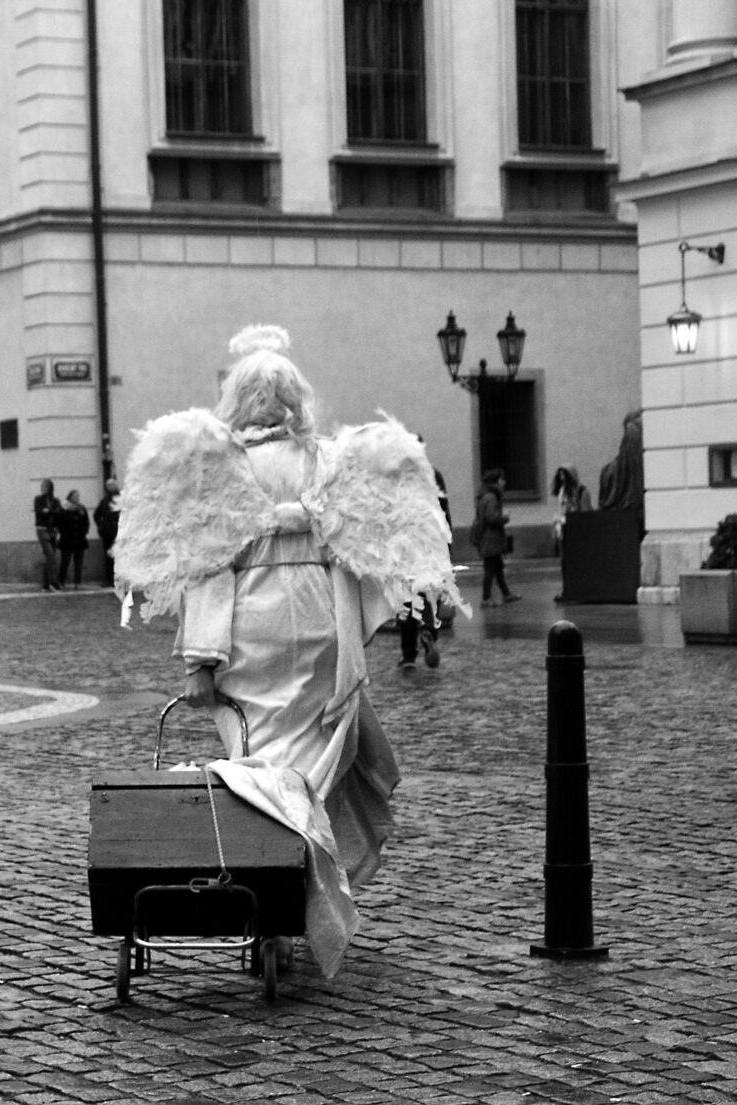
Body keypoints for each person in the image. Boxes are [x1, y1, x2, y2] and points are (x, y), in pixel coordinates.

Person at [115, 323, 465, 979]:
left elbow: (212, 564)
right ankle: (294, 896)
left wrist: (202, 658)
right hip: (317, 616)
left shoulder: (225, 466)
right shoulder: (323, 460)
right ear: (294, 399)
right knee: (305, 770)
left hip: (251, 621)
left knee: (257, 765)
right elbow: (352, 543)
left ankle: (272, 904)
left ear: (240, 401)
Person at [398, 440, 451, 669]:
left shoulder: (399, 480)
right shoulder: (434, 476)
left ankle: (409, 654)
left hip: (408, 548)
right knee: (430, 595)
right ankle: (429, 631)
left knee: (408, 601)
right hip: (431, 546)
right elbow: (444, 514)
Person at [474, 467, 520, 608]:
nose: (504, 482)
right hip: (491, 539)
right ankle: (486, 598)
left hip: (488, 538)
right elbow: (491, 518)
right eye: (502, 480)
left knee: (497, 568)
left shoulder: (485, 496)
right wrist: (504, 518)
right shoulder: (492, 498)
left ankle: (506, 594)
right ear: (496, 481)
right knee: (490, 569)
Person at [56, 489, 90, 588]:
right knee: (65, 562)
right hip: (67, 540)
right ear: (70, 497)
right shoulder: (64, 508)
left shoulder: (82, 508)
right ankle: (61, 581)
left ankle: (78, 582)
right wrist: (64, 532)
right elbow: (59, 522)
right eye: (74, 496)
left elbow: (86, 522)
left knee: (78, 563)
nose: (76, 497)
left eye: (77, 496)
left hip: (80, 540)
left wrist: (84, 532)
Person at [32, 478, 62, 591]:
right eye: (42, 486)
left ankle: (45, 583)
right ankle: (53, 582)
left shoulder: (55, 500)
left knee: (50, 557)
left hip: (53, 530)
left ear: (50, 488)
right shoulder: (38, 499)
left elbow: (59, 513)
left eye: (45, 486)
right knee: (51, 555)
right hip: (42, 529)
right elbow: (39, 511)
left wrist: (48, 511)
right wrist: (51, 511)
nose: (42, 488)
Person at [94, 479, 121, 587]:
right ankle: (110, 579)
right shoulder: (104, 501)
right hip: (108, 533)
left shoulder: (122, 499)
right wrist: (101, 526)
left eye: (112, 485)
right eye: (109, 485)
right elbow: (96, 514)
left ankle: (120, 580)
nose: (111, 487)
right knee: (109, 558)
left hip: (120, 533)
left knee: (120, 557)